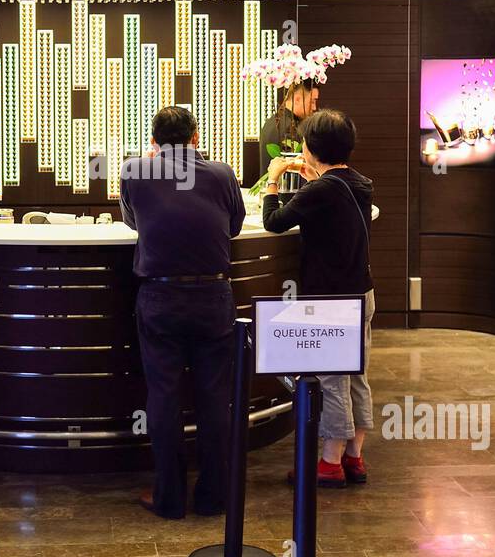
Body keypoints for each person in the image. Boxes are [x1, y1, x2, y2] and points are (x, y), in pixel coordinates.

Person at [120, 107, 246, 519]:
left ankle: (169, 498)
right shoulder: (224, 174)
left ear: (154, 142)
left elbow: (133, 223)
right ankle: (214, 497)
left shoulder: (135, 171)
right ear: (196, 137)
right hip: (213, 296)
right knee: (215, 400)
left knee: (164, 398)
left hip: (160, 299)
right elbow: (235, 227)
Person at [262, 109, 375, 487]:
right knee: (356, 377)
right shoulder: (360, 182)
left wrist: (273, 182)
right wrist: (314, 178)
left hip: (331, 300)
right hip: (362, 292)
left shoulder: (321, 190)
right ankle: (354, 458)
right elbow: (332, 207)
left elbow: (274, 222)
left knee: (332, 381)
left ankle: (328, 463)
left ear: (310, 148)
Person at [258, 78, 319, 178]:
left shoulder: (272, 121)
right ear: (298, 99)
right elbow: (292, 172)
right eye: (312, 102)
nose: (314, 108)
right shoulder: (289, 129)